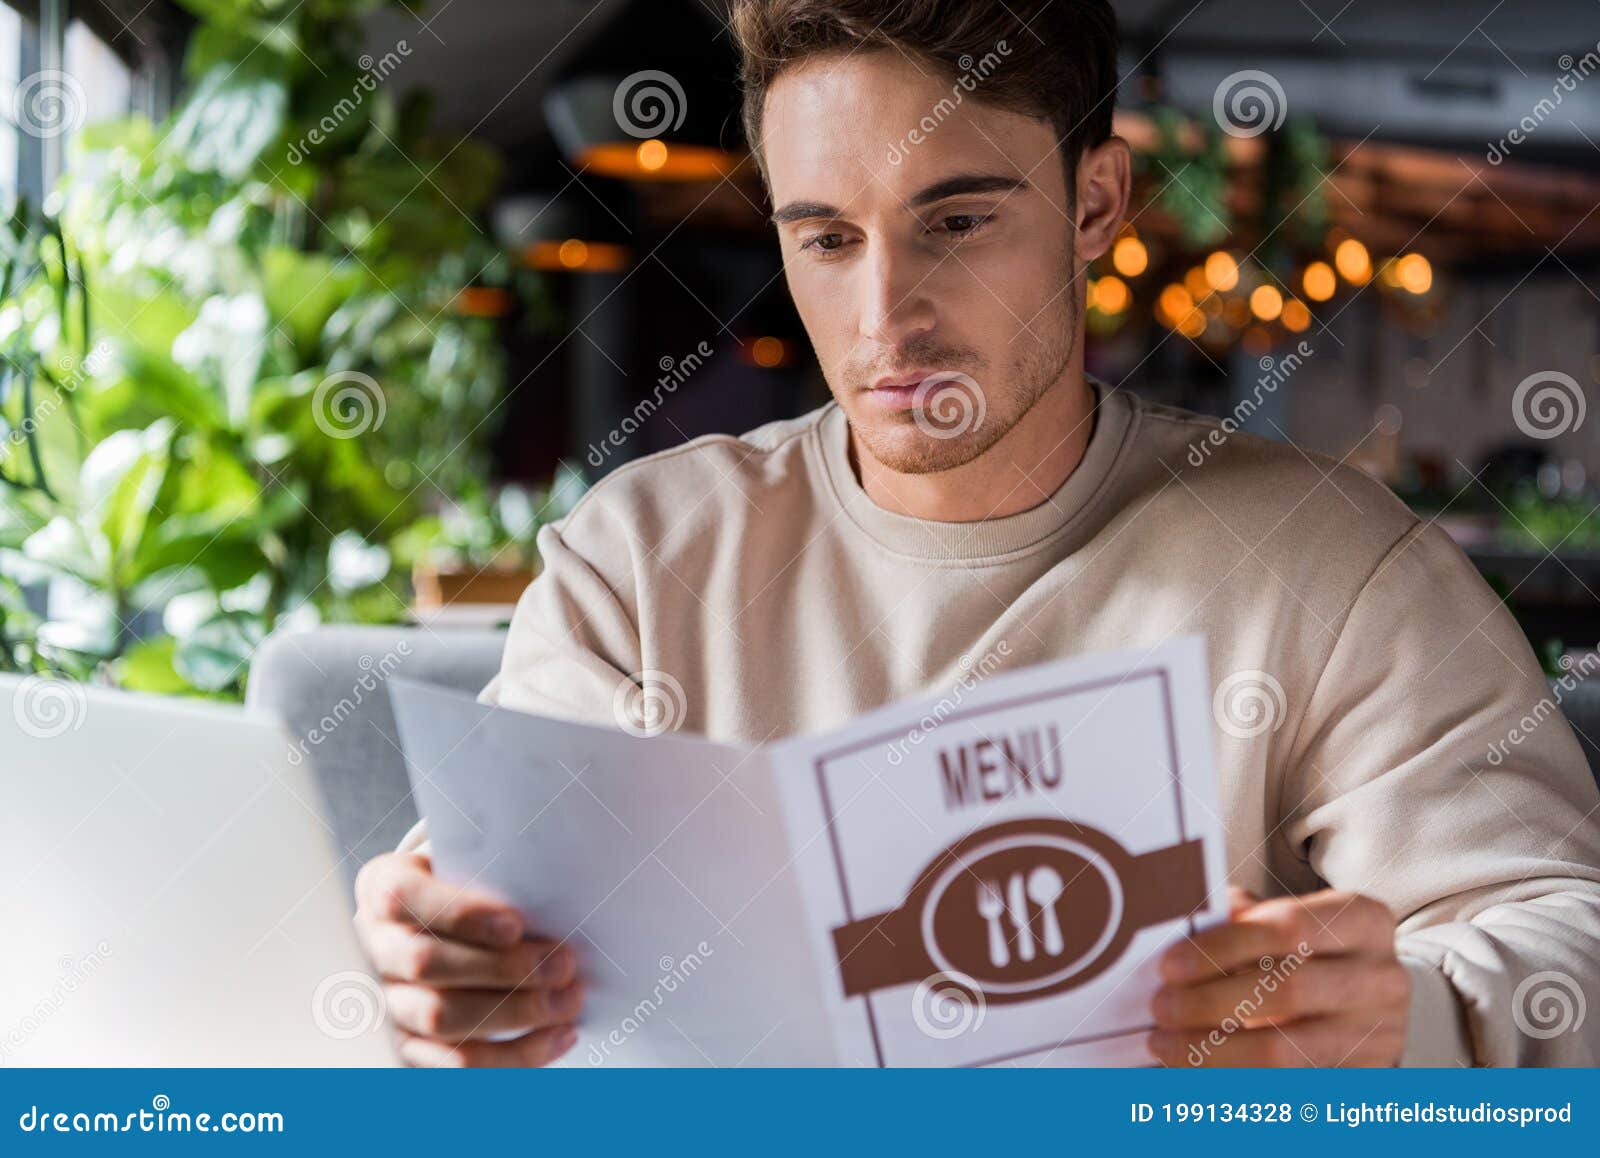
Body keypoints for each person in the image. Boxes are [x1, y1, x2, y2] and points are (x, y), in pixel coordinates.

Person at [354, 0, 1600, 1068]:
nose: (886, 316)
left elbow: (1563, 943)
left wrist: (1409, 1016)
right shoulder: (637, 559)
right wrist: (448, 960)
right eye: (827, 239)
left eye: (955, 222)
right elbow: (500, 896)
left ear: (1093, 202)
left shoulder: (1331, 564)